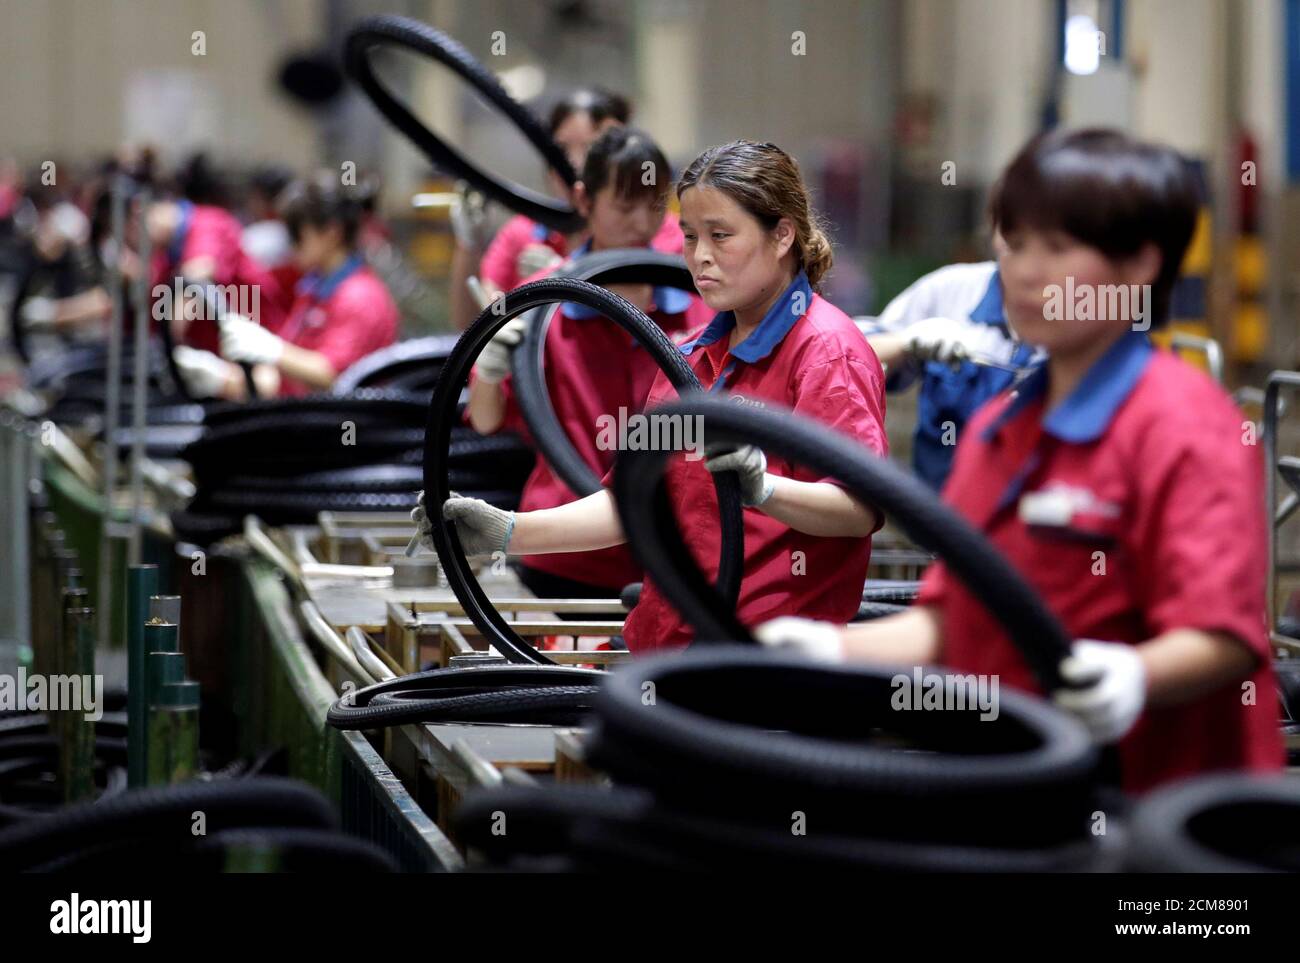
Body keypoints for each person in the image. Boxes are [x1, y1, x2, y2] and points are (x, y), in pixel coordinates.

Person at [757, 128, 1283, 793]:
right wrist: (834, 651)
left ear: (1141, 265)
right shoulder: (1000, 429)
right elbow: (953, 620)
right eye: (1017, 242)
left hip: (1169, 809)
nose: (1025, 270)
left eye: (1058, 247)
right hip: (1022, 792)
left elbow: (1226, 633)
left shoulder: (1184, 425)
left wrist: (1136, 673)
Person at [414, 140, 888, 654]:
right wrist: (507, 531)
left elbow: (858, 506)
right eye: (689, 237)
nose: (700, 256)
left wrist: (766, 489)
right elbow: (631, 502)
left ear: (782, 236)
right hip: (668, 648)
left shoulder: (826, 352)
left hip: (761, 664)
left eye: (721, 236)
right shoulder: (688, 357)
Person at [464, 126, 712, 603]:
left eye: (655, 205)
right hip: (562, 555)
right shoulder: (540, 299)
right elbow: (487, 418)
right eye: (624, 206)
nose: (641, 223)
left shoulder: (696, 297)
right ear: (584, 200)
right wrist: (491, 366)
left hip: (673, 554)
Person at [450, 88, 682, 328]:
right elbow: (470, 322)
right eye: (562, 150)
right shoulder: (523, 233)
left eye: (590, 147)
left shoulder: (662, 233)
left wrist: (569, 276)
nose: (574, 163)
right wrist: (470, 246)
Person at [862, 237, 1044, 489]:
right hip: (937, 510)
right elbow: (846, 357)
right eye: (1015, 231)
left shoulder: (1089, 312)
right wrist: (905, 341)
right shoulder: (950, 291)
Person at [214, 175, 400, 397]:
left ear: (332, 233)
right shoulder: (315, 289)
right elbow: (288, 376)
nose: (290, 245)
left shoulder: (360, 297)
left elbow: (335, 374)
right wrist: (221, 379)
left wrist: (273, 350)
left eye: (297, 233)